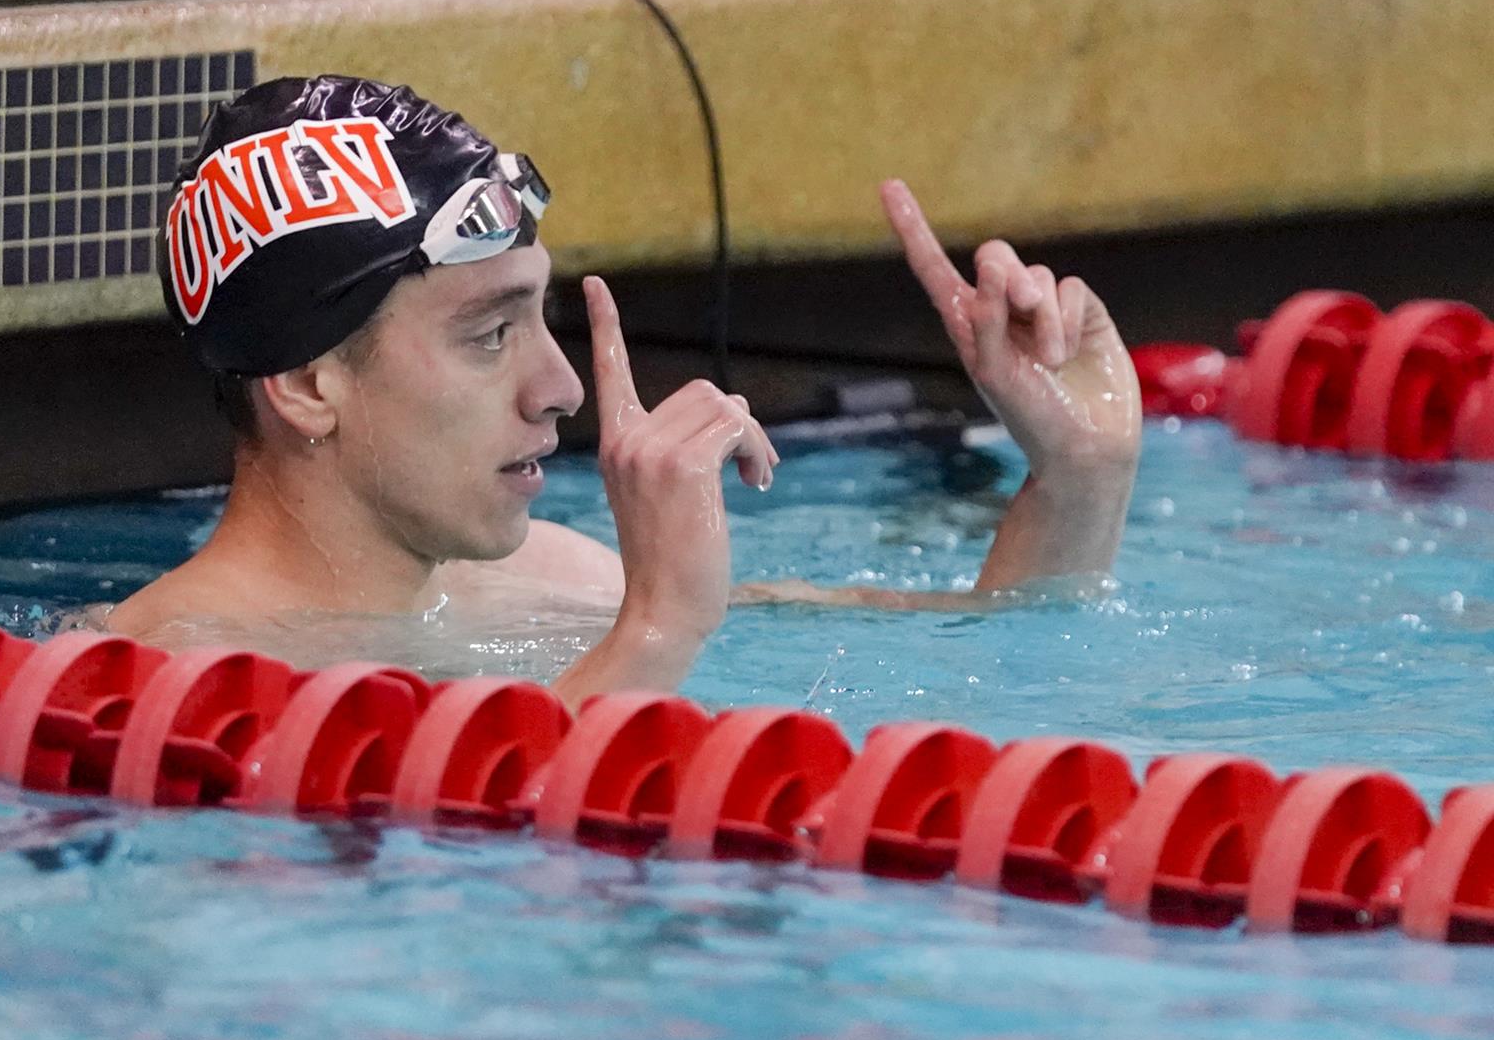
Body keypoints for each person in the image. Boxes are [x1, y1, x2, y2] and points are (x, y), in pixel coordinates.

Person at [105, 75, 1141, 704]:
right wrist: (652, 633)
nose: (559, 388)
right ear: (305, 384)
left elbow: (998, 649)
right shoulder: (161, 679)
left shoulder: (547, 578)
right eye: (488, 334)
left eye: (540, 320)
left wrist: (1079, 475)